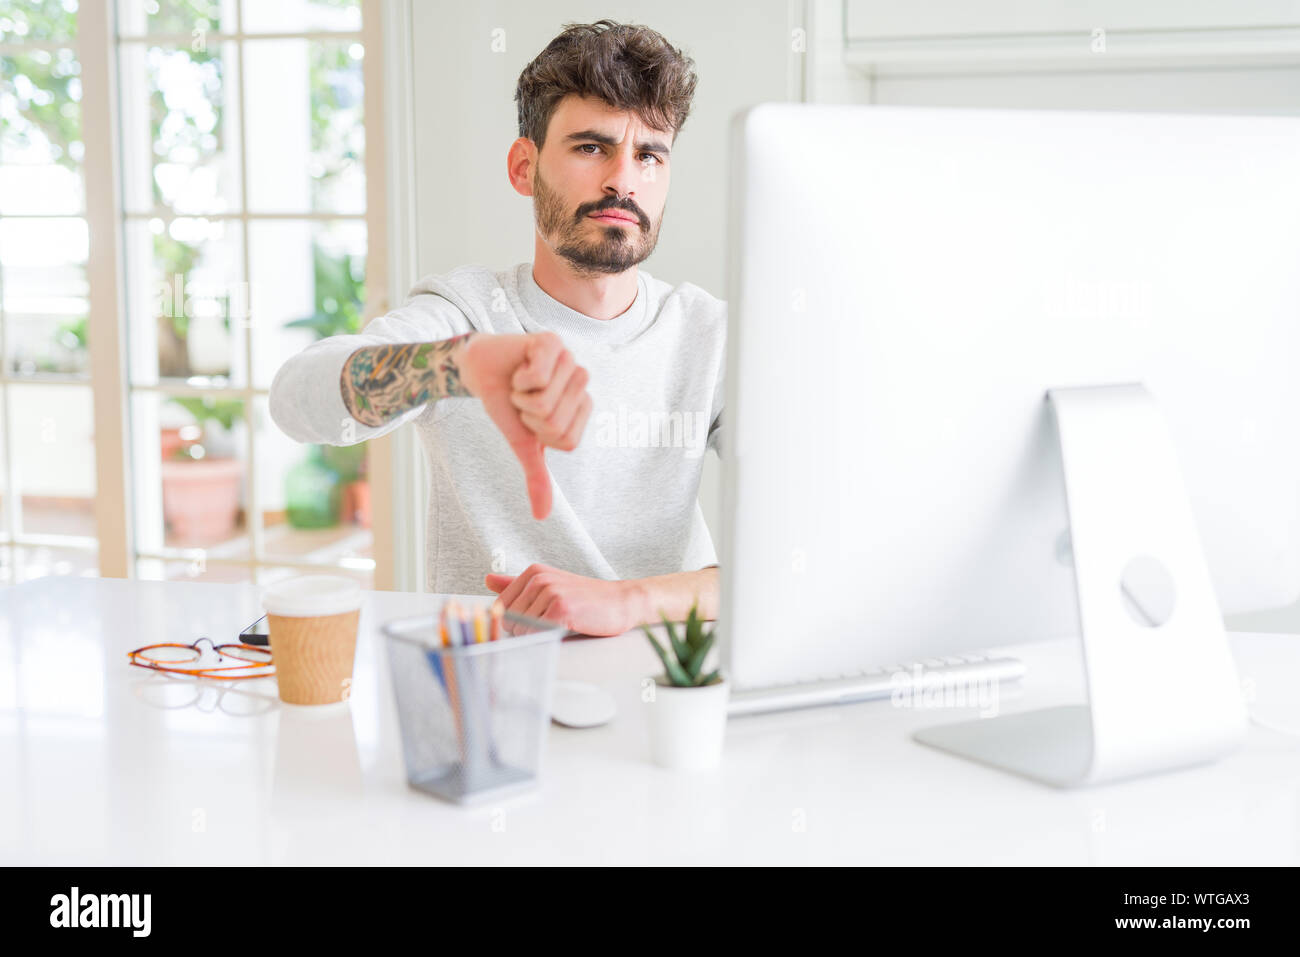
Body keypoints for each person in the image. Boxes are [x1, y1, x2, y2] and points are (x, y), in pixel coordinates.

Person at [270, 19, 725, 637]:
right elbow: (297, 401)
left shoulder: (707, 334)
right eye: (591, 147)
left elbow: (800, 554)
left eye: (649, 155)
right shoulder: (466, 315)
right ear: (523, 167)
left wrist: (626, 601)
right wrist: (454, 365)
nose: (623, 178)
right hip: (493, 684)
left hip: (674, 684)